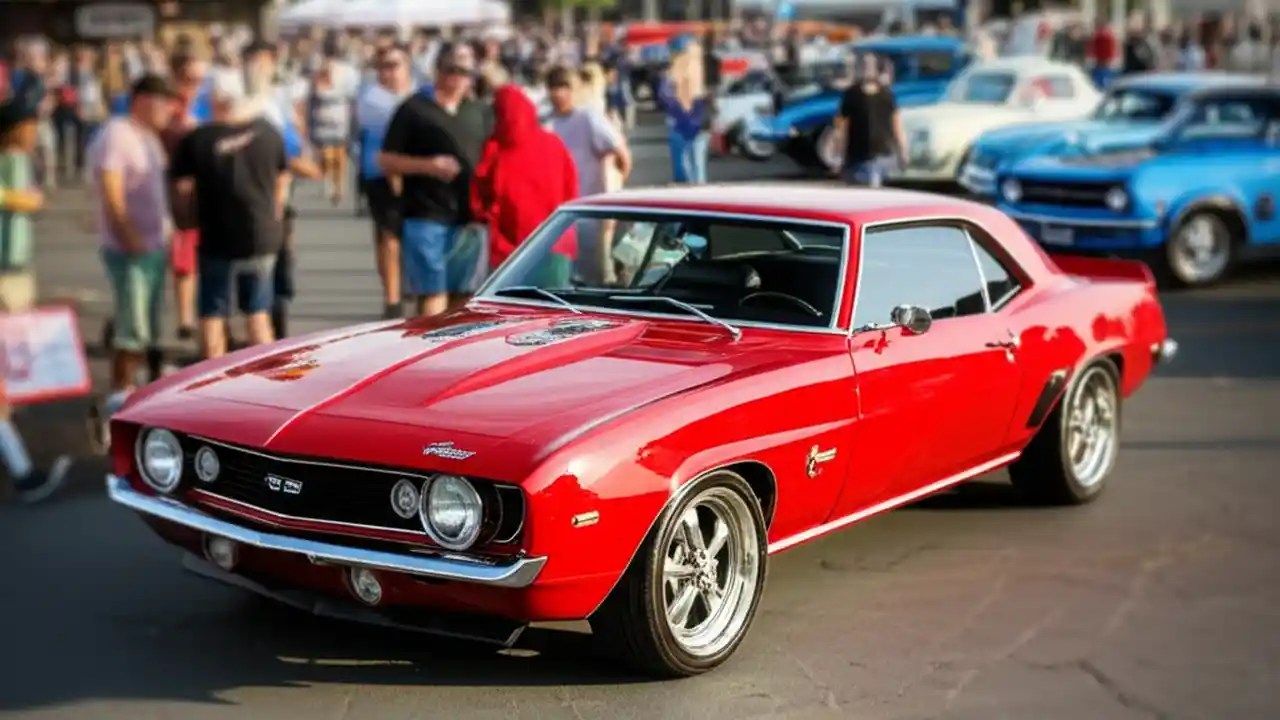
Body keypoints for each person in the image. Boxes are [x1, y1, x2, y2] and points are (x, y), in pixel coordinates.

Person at [170, 70, 288, 359]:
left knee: (213, 313)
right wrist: (275, 212)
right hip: (261, 235)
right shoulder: (269, 133)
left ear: (217, 100)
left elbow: (181, 190)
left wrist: (184, 222)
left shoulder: (198, 139)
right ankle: (265, 378)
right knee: (258, 315)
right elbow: (283, 179)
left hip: (216, 237)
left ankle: (214, 377)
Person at [378, 44, 492, 318]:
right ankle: (427, 344)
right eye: (452, 70)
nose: (458, 78)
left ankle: (456, 345)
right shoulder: (413, 109)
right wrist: (429, 166)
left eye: (465, 72)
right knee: (433, 293)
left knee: (465, 295)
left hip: (469, 217)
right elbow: (385, 160)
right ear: (438, 71)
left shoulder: (480, 111)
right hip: (425, 214)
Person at [86, 75, 177, 409]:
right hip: (130, 250)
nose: (169, 110)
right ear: (142, 101)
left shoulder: (147, 136)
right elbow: (110, 190)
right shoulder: (117, 134)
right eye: (164, 102)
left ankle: (136, 389)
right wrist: (129, 235)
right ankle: (119, 396)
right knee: (133, 329)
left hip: (153, 246)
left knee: (147, 325)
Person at [0, 99, 72, 503]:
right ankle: (23, 471)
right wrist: (23, 198)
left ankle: (20, 466)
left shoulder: (19, 161)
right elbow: (24, 201)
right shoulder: (12, 161)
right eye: (28, 126)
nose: (33, 133)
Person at [471, 85, 578, 282]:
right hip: (555, 241)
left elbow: (480, 198)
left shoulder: (495, 150)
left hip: (510, 249)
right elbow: (571, 189)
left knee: (511, 300)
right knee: (553, 299)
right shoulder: (554, 143)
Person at [546, 65, 630, 284]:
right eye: (554, 87)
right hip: (559, 216)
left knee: (595, 278)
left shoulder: (588, 118)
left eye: (564, 87)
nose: (559, 93)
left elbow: (621, 153)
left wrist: (614, 190)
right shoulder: (547, 124)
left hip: (590, 213)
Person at [356, 43, 414, 319]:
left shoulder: (419, 94)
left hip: (417, 175)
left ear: (407, 67)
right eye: (382, 67)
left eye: (393, 66)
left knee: (408, 237)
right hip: (379, 175)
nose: (387, 72)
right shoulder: (372, 99)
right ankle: (392, 302)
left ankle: (406, 287)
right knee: (389, 237)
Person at [161, 53, 209, 341]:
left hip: (209, 189)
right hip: (177, 191)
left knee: (208, 256)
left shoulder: (207, 103)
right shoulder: (169, 106)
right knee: (184, 255)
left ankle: (209, 319)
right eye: (188, 79)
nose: (193, 86)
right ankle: (185, 318)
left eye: (199, 80)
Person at [835, 53, 905, 188]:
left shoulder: (886, 95)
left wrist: (902, 152)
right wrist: (839, 155)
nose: (868, 70)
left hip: (879, 155)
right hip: (860, 156)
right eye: (866, 66)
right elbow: (842, 128)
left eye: (871, 66)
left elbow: (897, 126)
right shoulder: (852, 94)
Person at [656, 36, 711, 185]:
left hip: (687, 123)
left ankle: (690, 188)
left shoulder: (678, 74)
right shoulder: (679, 73)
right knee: (692, 163)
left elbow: (664, 96)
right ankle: (693, 188)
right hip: (688, 122)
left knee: (688, 163)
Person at [308, 57, 351, 207]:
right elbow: (310, 106)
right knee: (327, 158)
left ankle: (339, 188)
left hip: (340, 129)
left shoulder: (342, 87)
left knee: (340, 160)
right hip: (322, 129)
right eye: (326, 71)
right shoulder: (316, 86)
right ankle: (328, 183)